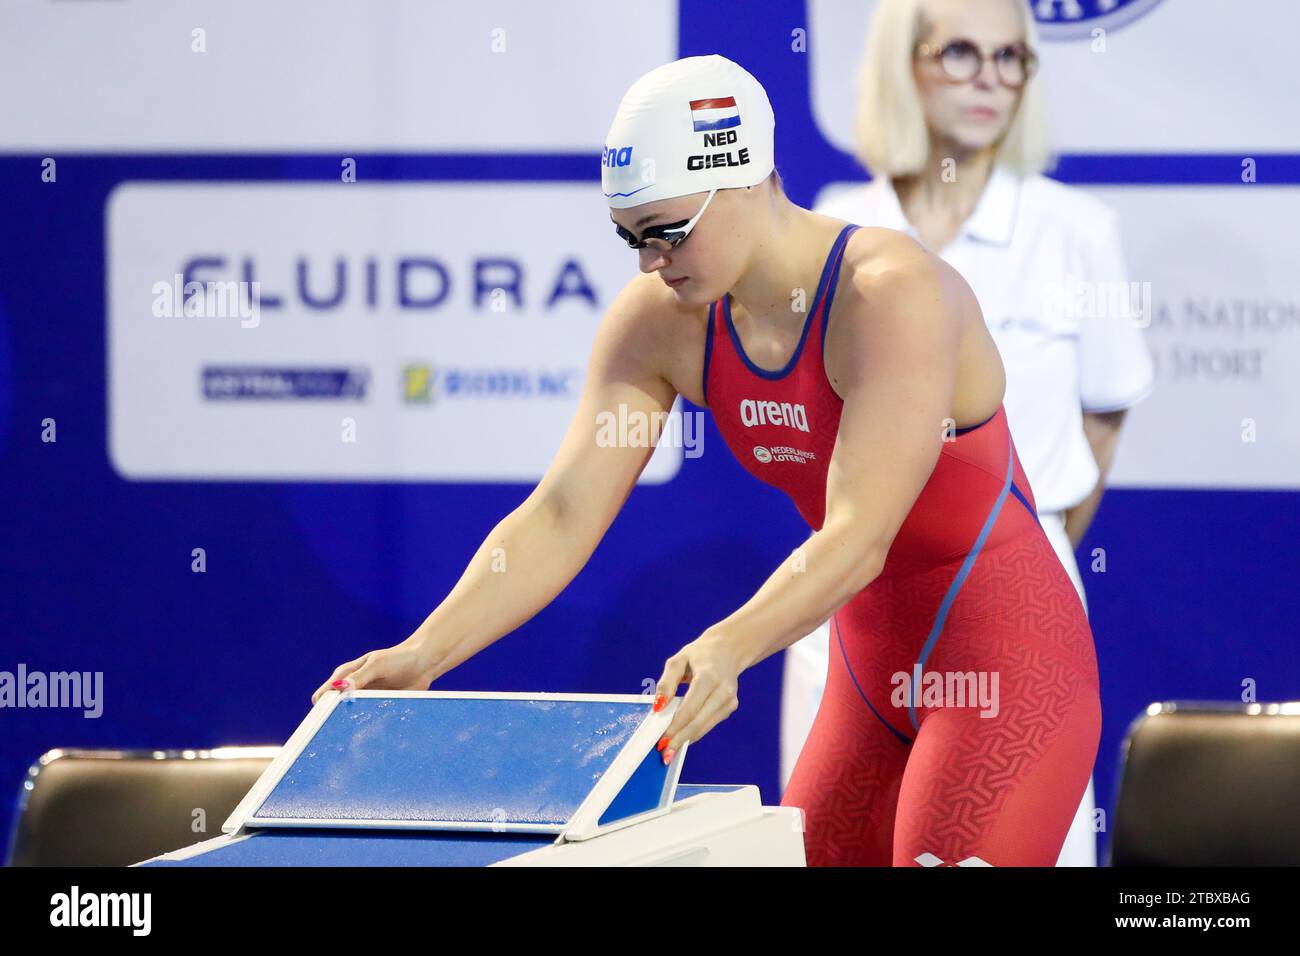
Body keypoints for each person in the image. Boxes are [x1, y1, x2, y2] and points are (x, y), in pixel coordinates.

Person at [312, 53, 1101, 866]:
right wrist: (425, 653)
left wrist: (729, 643)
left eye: (668, 231)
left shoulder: (890, 293)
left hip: (1009, 665)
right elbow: (561, 513)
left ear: (749, 176)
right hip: (867, 673)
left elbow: (862, 536)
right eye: (630, 236)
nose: (650, 261)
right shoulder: (661, 321)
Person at [782, 0, 1155, 867]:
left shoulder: (1077, 231)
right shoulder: (836, 222)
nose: (991, 79)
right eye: (961, 53)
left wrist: (1014, 547)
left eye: (1012, 59)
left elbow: (1103, 417)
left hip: (1018, 607)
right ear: (901, 64)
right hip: (847, 601)